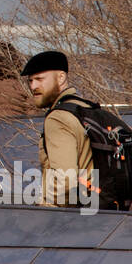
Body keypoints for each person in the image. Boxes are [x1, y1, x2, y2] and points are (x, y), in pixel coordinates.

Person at [20, 49, 93, 208]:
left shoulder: (58, 118)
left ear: (61, 77)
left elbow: (66, 179)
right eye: (30, 81)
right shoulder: (86, 109)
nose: (33, 86)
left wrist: (46, 208)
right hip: (103, 214)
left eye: (39, 79)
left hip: (71, 218)